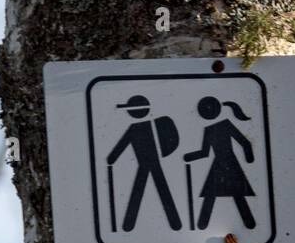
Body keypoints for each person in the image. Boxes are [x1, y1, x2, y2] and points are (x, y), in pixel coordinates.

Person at [104, 95, 182, 231]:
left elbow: (121, 146)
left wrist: (112, 158)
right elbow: (121, 145)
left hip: (147, 163)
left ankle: (129, 225)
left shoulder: (136, 128)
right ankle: (174, 223)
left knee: (143, 191)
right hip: (148, 164)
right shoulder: (142, 126)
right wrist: (111, 158)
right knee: (158, 190)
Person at [183, 96, 257, 230]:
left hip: (230, 162)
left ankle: (249, 223)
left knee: (236, 192)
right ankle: (202, 224)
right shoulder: (209, 130)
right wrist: (189, 156)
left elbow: (244, 142)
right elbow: (204, 152)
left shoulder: (226, 124)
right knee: (211, 192)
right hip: (219, 163)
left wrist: (249, 158)